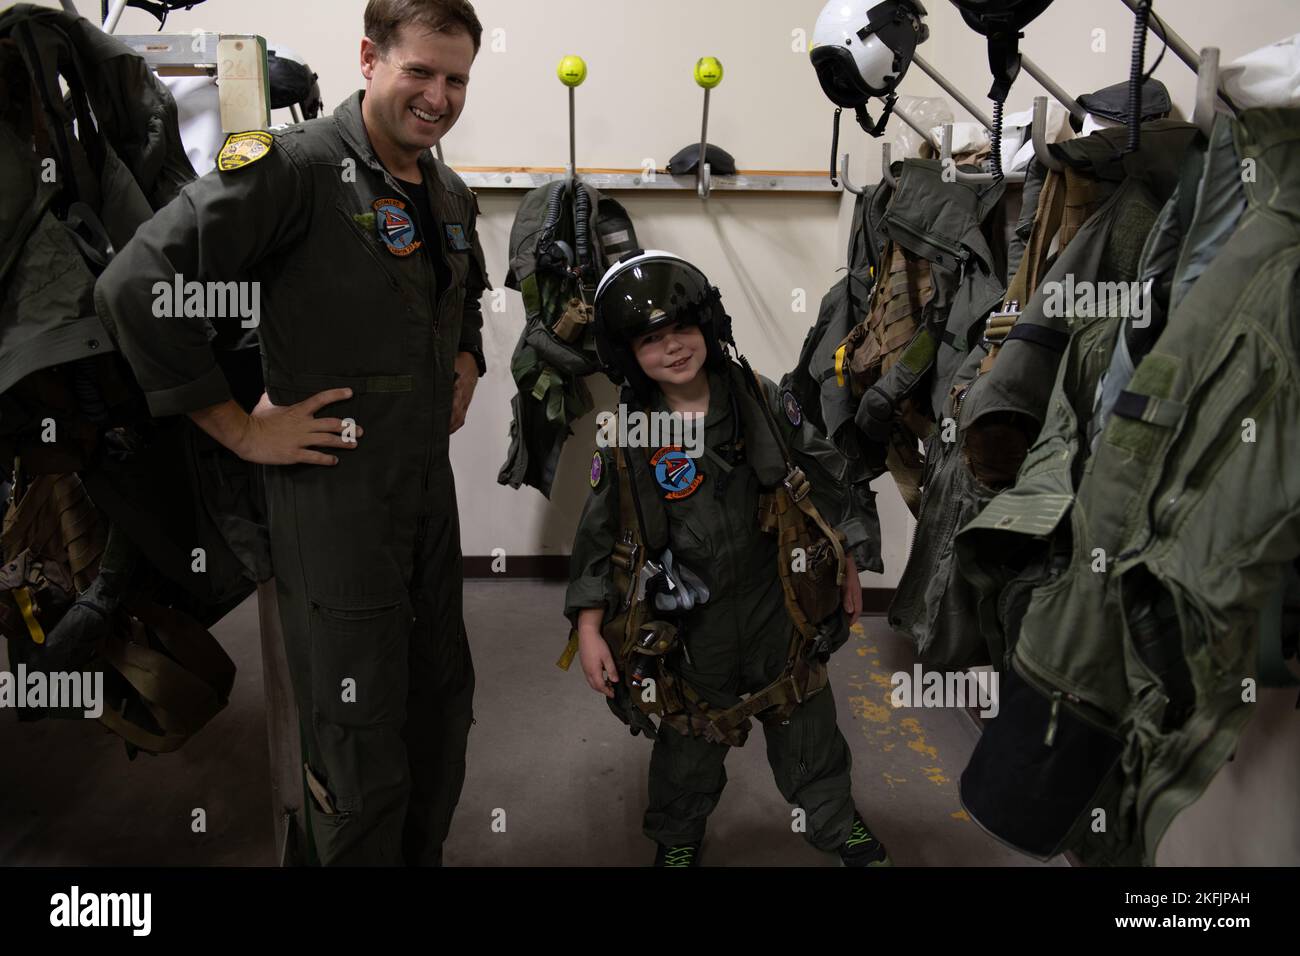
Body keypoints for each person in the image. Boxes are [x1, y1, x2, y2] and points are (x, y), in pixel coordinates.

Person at [93, 0, 490, 866]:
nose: (438, 95)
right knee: (354, 724)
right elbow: (138, 284)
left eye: (455, 78)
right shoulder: (293, 167)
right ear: (368, 58)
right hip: (333, 501)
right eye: (418, 71)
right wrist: (238, 429)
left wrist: (467, 359)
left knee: (439, 703)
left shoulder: (445, 187)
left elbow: (464, 295)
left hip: (427, 498)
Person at [563, 250, 890, 867]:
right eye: (652, 339)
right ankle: (679, 837)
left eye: (682, 329)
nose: (674, 348)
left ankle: (835, 822)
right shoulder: (631, 434)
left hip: (779, 603)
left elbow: (823, 473)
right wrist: (587, 628)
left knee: (806, 715)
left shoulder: (760, 400)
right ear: (626, 355)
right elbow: (598, 535)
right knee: (689, 735)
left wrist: (848, 556)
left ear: (709, 327)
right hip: (690, 623)